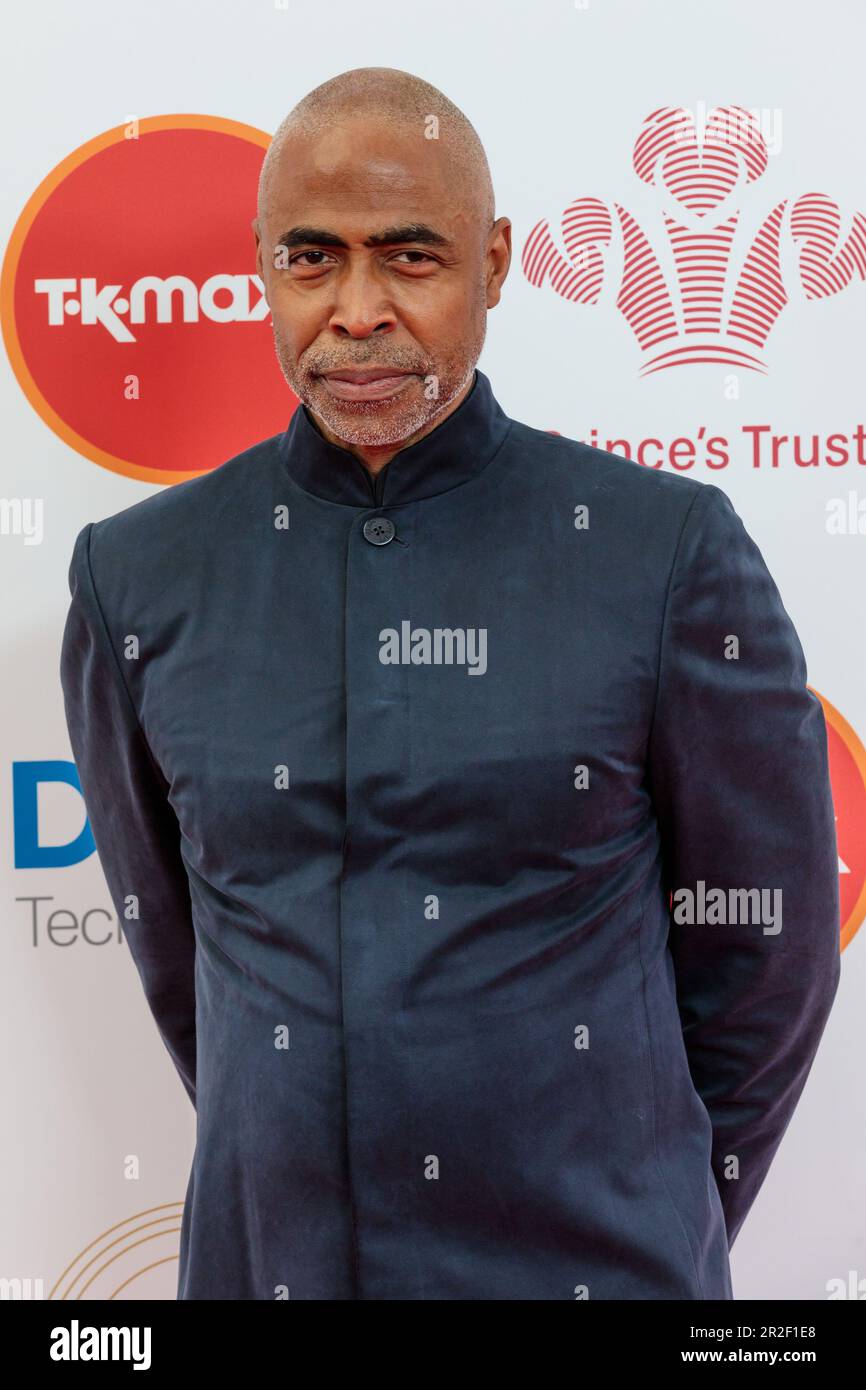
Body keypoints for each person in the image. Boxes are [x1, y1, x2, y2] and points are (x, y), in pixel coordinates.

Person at [60, 66, 841, 1301]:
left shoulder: (662, 551)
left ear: (495, 261)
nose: (356, 311)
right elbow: (181, 957)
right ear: (259, 263)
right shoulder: (137, 578)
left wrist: (658, 1207)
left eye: (408, 259)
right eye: (310, 259)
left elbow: (767, 951)